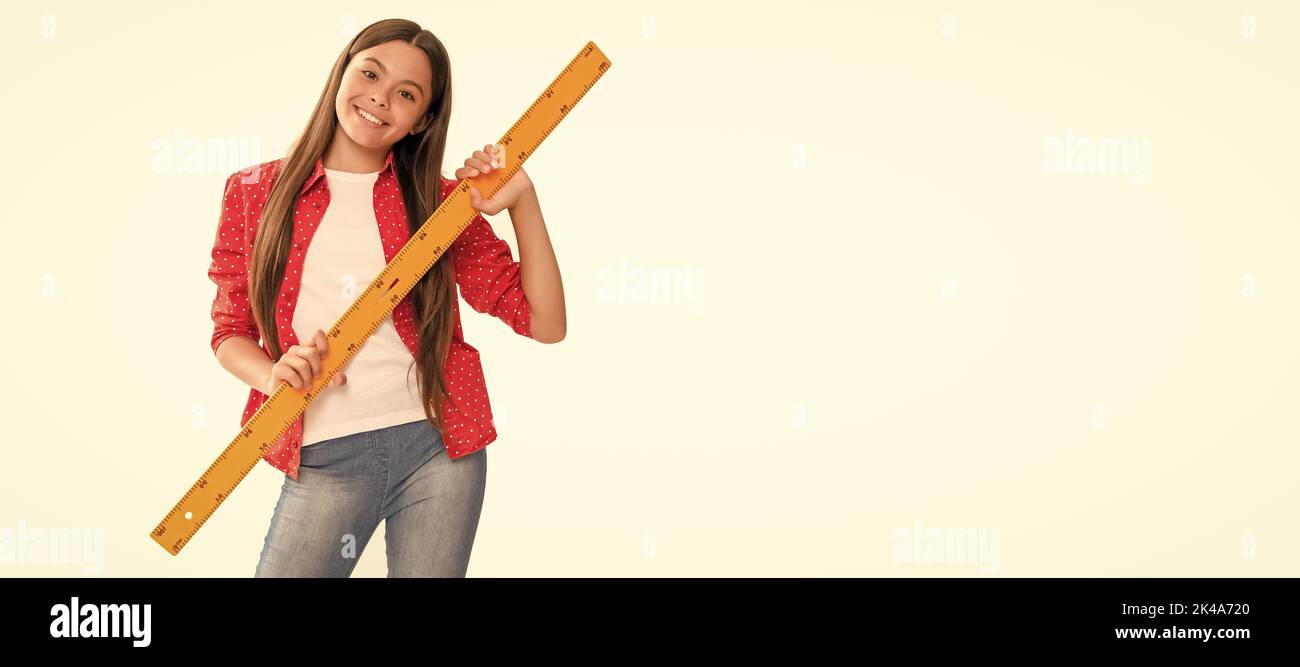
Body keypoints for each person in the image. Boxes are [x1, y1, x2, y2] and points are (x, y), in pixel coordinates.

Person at [205, 18, 566, 577]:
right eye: (370, 73)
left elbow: (545, 322)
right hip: (324, 454)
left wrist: (522, 199)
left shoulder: (442, 206)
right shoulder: (255, 193)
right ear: (342, 72)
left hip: (439, 449)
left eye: (407, 94)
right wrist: (270, 376)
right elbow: (229, 330)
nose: (380, 97)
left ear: (421, 118)